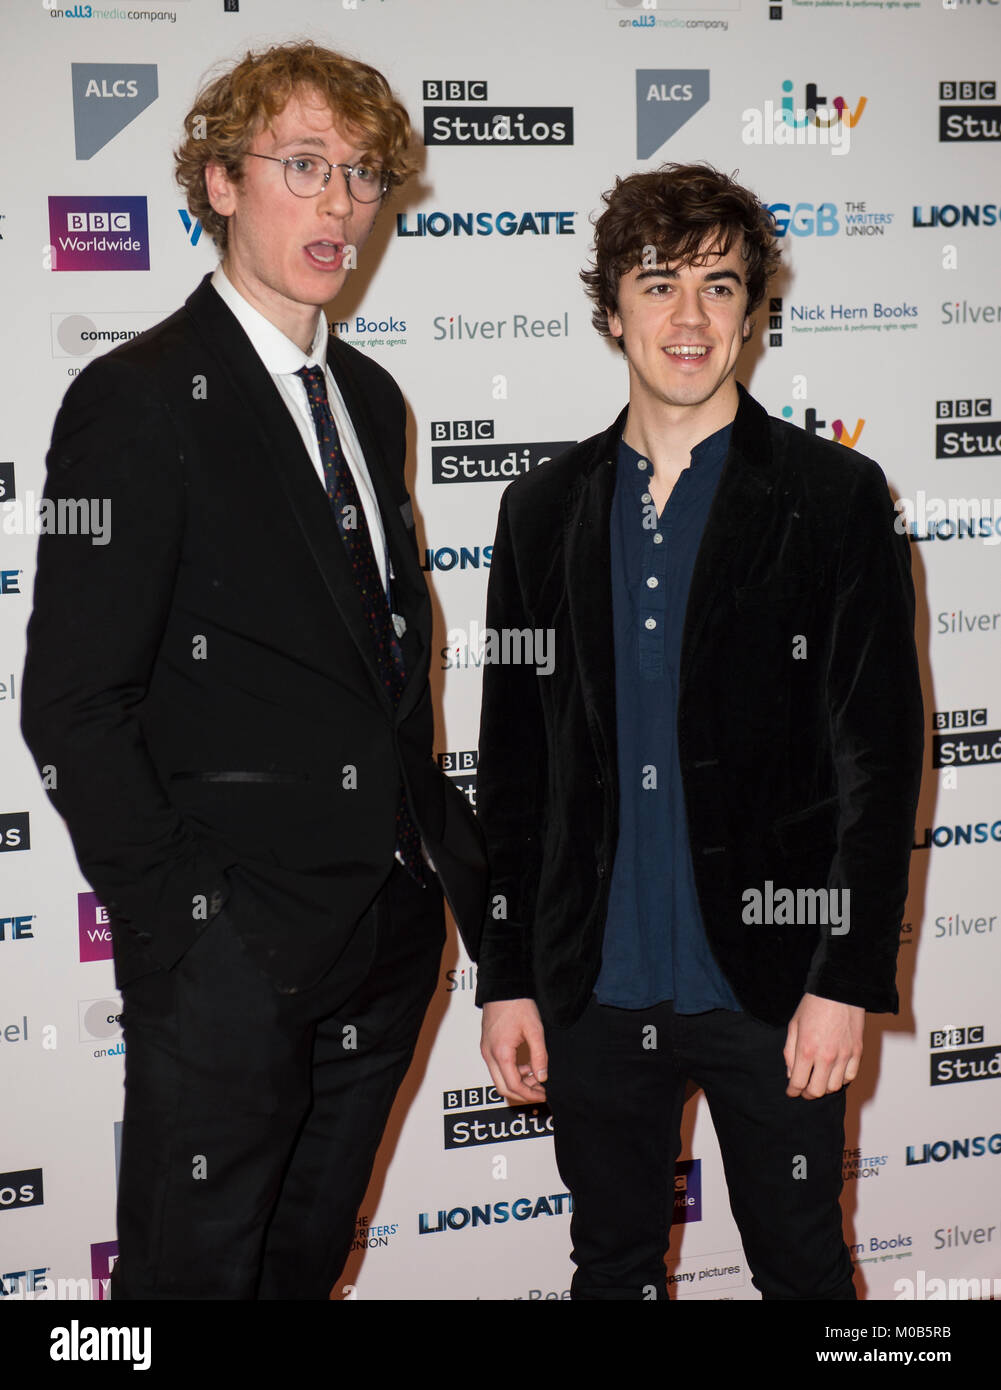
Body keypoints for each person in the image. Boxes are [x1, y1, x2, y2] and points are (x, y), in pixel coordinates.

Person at [21, 41, 484, 1301]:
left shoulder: (373, 399)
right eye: (302, 166)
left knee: (297, 1276)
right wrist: (190, 932)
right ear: (221, 182)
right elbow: (71, 699)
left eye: (362, 175)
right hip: (230, 961)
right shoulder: (136, 400)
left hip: (382, 941)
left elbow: (376, 662)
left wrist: (426, 885)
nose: (339, 204)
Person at [475, 162, 922, 1301]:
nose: (686, 317)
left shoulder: (831, 497)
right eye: (656, 281)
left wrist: (843, 978)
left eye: (718, 286)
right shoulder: (536, 511)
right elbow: (513, 764)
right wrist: (503, 974)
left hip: (771, 991)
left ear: (751, 308)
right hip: (592, 989)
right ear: (610, 305)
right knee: (611, 1268)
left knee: (803, 1271)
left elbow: (875, 757)